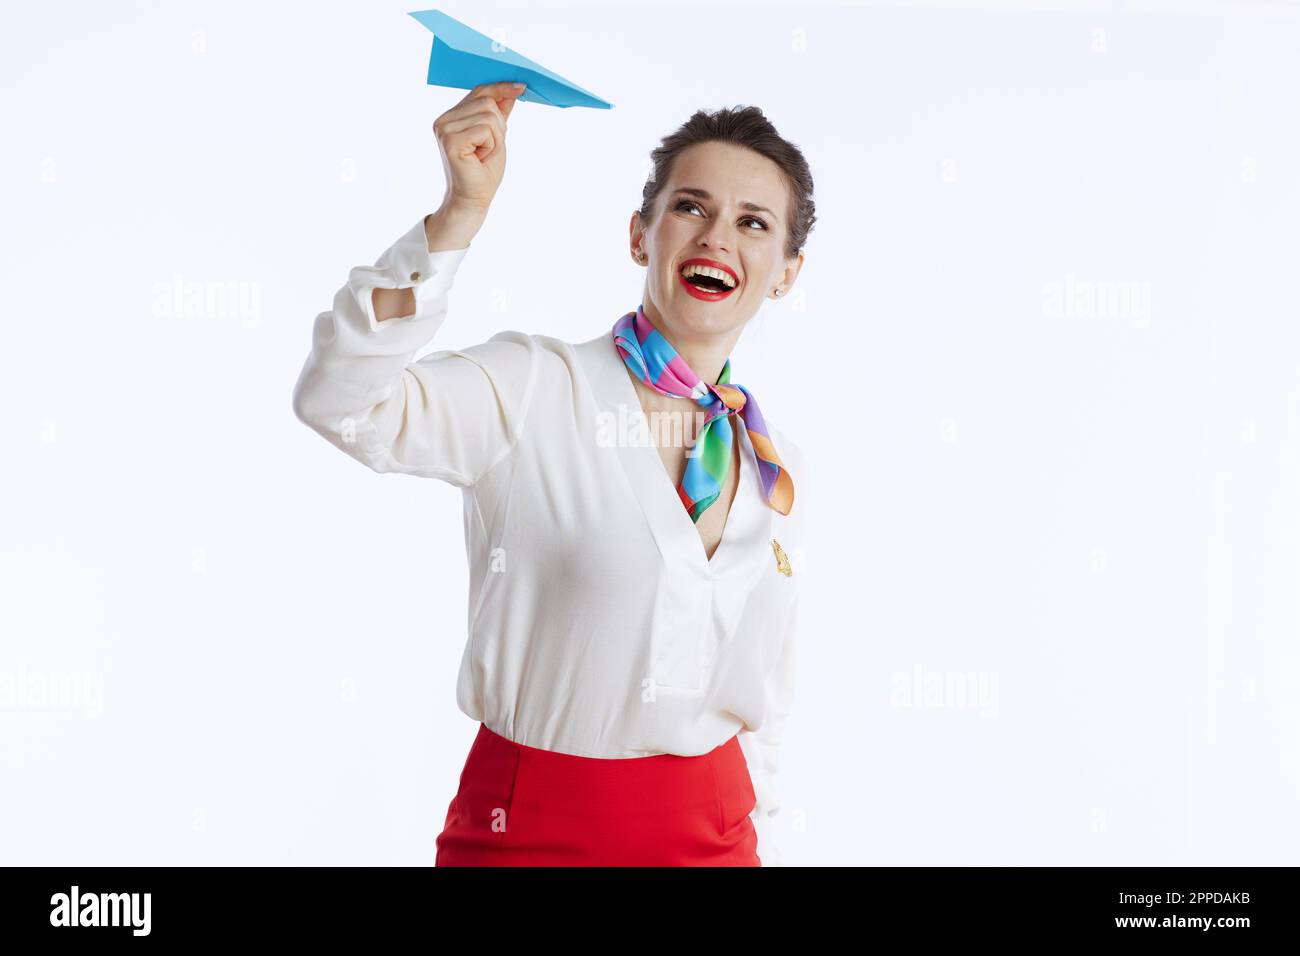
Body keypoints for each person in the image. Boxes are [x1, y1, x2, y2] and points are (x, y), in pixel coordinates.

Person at [291, 81, 815, 866]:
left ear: (784, 272)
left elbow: (764, 702)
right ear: (641, 235)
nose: (717, 238)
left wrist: (762, 835)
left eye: (753, 223)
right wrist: (457, 217)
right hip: (529, 833)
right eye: (690, 208)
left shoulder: (773, 467)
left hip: (717, 838)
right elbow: (340, 402)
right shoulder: (532, 387)